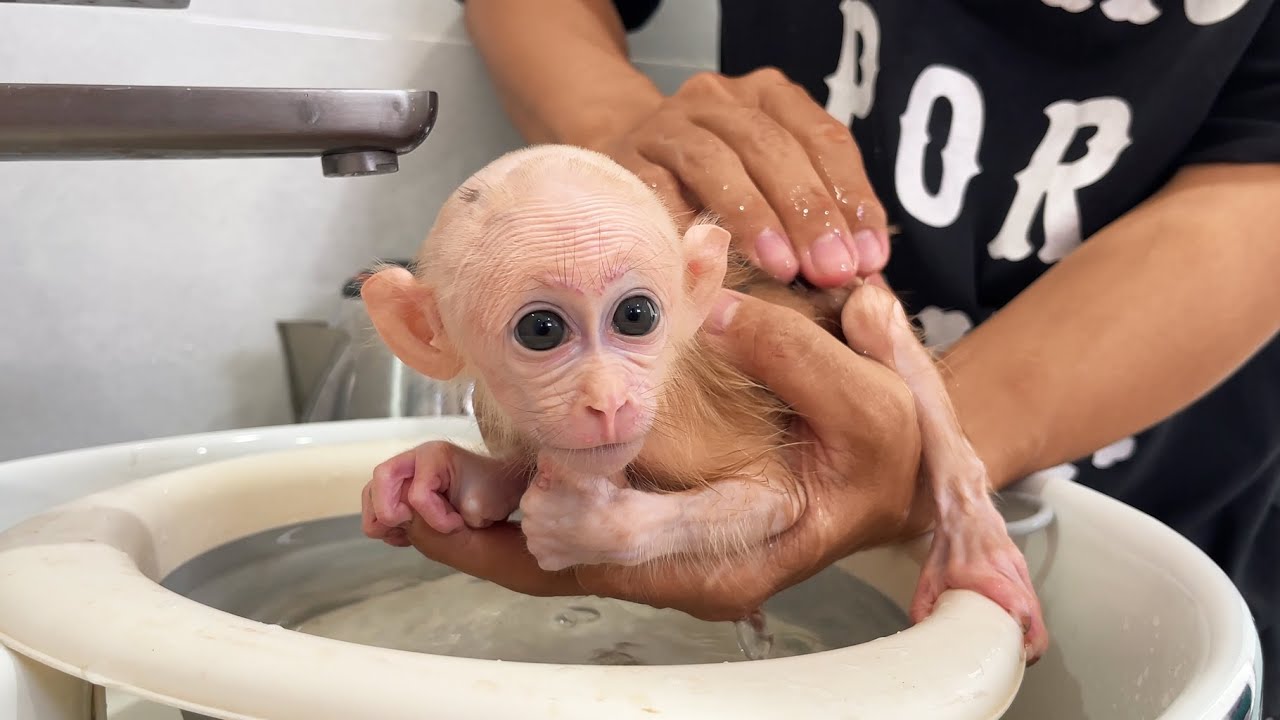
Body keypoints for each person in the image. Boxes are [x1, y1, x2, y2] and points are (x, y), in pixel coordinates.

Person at [403, 0, 1280, 709]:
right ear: (423, 334)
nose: (600, 390)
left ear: (696, 282)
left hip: (1162, 501)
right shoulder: (645, 352)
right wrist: (621, 127)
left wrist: (932, 461)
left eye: (631, 317)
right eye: (542, 332)